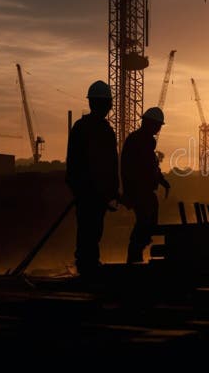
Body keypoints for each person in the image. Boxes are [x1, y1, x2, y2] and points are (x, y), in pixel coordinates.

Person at [66, 80, 119, 277]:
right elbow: (75, 163)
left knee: (93, 229)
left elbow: (111, 164)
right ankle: (86, 265)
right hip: (89, 191)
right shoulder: (90, 129)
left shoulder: (95, 129)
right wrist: (81, 188)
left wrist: (112, 190)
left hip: (95, 192)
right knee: (89, 229)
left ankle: (88, 263)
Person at [121, 107, 171, 264]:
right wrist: (130, 192)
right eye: (157, 125)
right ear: (149, 123)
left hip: (144, 191)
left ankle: (137, 253)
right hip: (139, 191)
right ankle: (134, 255)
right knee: (144, 223)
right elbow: (136, 168)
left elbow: (151, 166)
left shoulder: (144, 140)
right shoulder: (139, 140)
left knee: (148, 222)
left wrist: (161, 180)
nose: (158, 129)